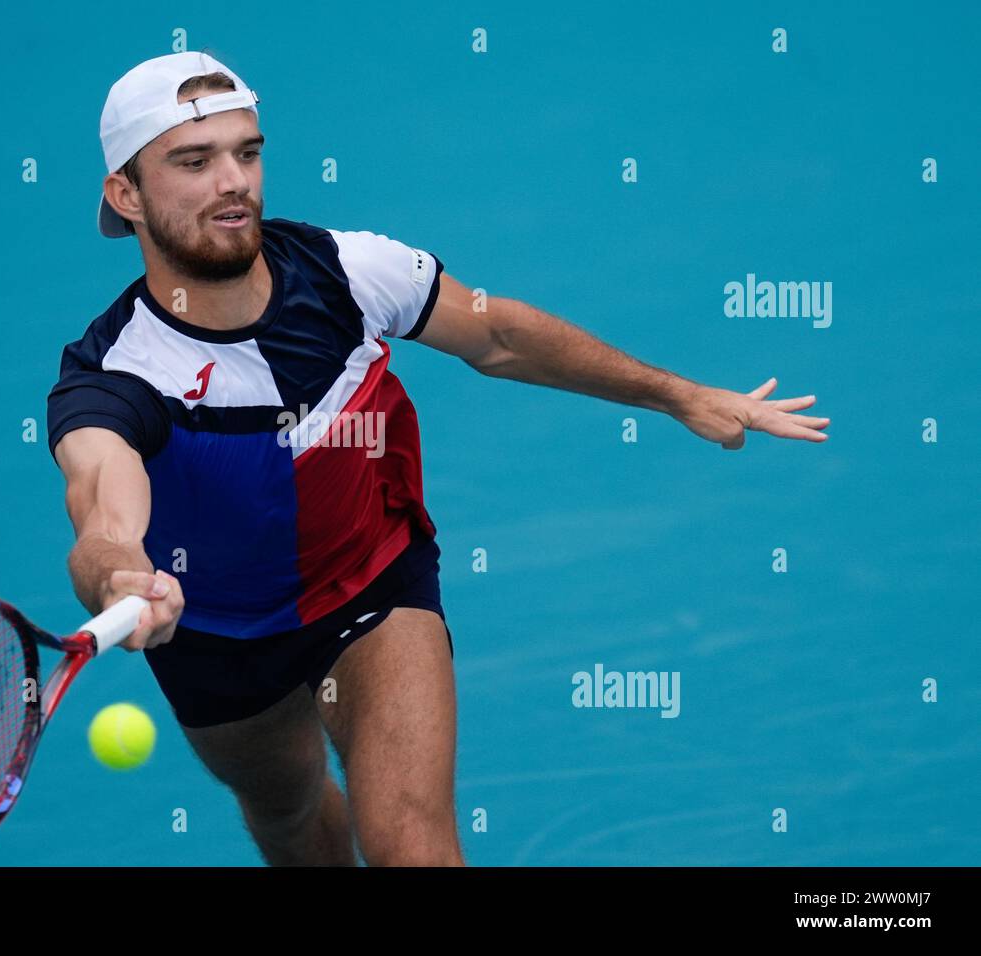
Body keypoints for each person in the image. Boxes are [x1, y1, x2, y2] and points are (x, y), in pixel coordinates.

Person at [45, 51, 830, 867]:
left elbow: (498, 334)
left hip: (373, 581)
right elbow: (103, 508)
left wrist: (675, 394)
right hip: (218, 635)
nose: (232, 181)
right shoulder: (113, 376)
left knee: (413, 849)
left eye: (247, 152)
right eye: (194, 162)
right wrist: (120, 577)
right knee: (288, 815)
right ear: (125, 194)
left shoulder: (346, 272)